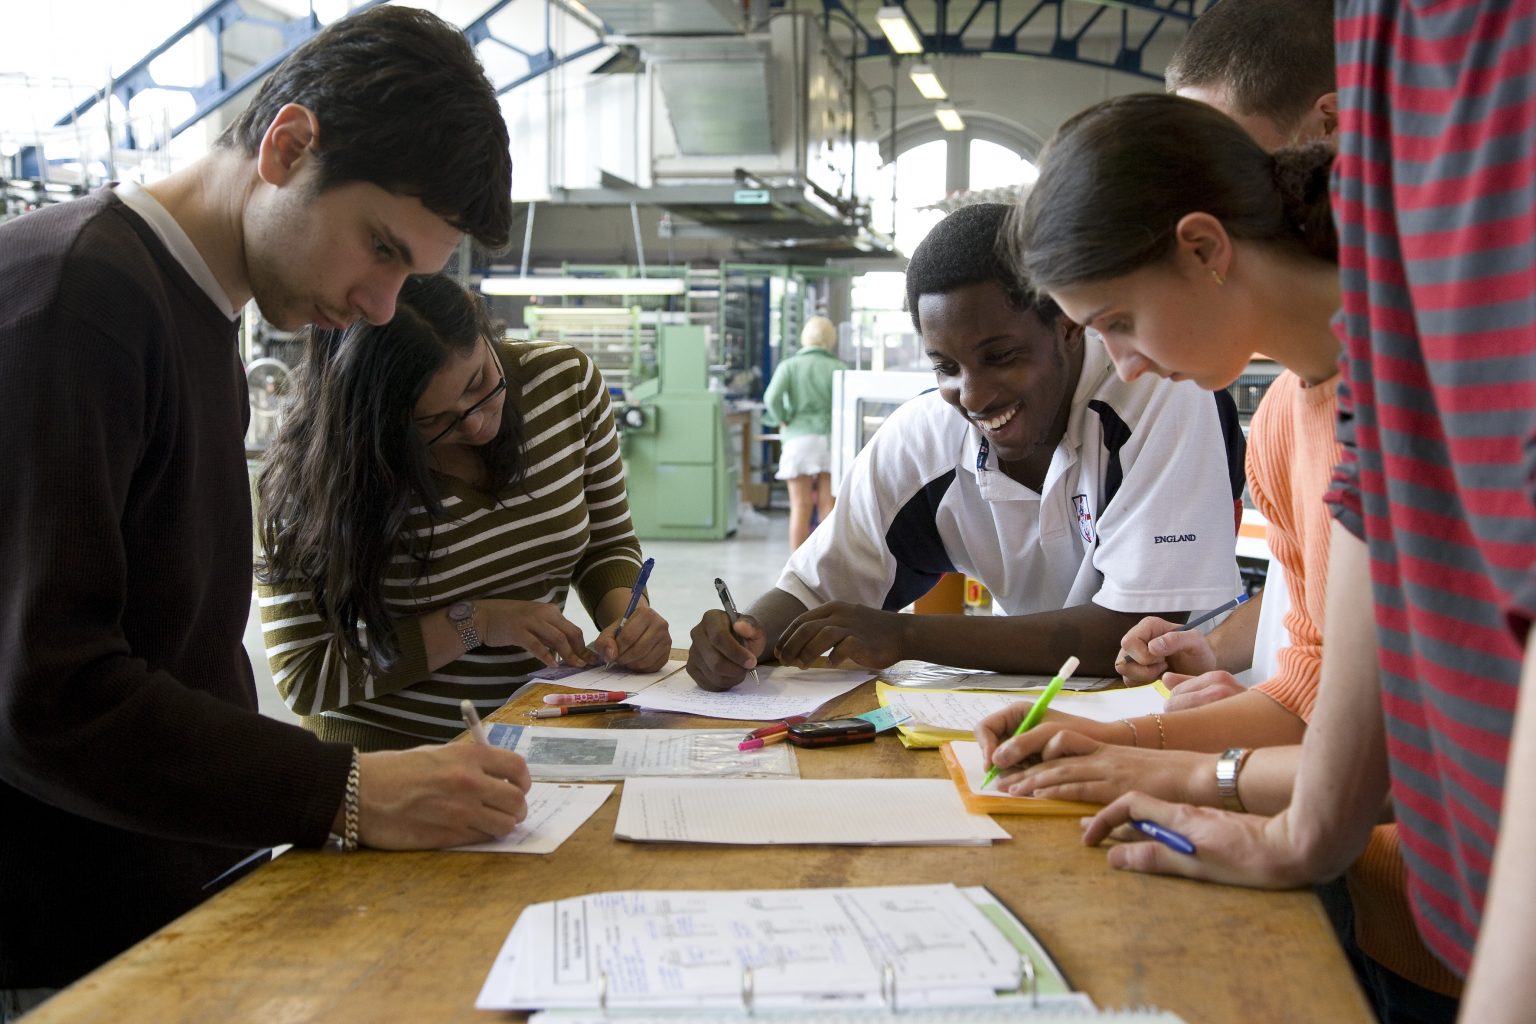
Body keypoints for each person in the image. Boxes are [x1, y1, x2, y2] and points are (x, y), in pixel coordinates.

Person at [0, 6, 526, 1007]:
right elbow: (45, 689)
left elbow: (171, 649)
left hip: (162, 906)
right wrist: (347, 788)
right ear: (288, 144)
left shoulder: (197, 315)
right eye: (378, 248)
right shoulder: (77, 302)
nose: (381, 306)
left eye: (409, 273)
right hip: (55, 950)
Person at [1020, 13, 1536, 1005]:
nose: (1124, 366)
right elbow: (1345, 707)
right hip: (1434, 917)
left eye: (1121, 325)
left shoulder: (1421, 336)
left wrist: (1177, 770)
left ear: (1205, 247)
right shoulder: (1348, 380)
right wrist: (1190, 775)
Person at [686, 201, 1246, 691]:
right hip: (1038, 708)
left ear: (1069, 326)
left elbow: (1134, 635)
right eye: (946, 367)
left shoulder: (1161, 394)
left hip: (1187, 707)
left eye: (1001, 356)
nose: (973, 395)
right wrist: (745, 638)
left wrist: (906, 634)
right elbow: (812, 589)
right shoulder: (926, 437)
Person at [257, 275, 670, 751]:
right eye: (431, 421)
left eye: (478, 382)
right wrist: (474, 623)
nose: (475, 424)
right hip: (391, 759)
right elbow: (304, 677)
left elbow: (605, 542)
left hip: (527, 730)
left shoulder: (565, 385)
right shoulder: (316, 472)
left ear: (479, 321)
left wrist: (629, 620)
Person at [1122, 0, 1339, 711]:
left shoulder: (1447, 367)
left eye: (1223, 162)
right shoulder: (1284, 408)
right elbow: (1306, 617)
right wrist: (1217, 651)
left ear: (1333, 128)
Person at [762, 315, 846, 550]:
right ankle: (826, 565)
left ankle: (797, 574)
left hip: (799, 440)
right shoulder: (839, 368)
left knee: (800, 506)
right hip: (831, 443)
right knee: (829, 508)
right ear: (830, 339)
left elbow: (771, 398)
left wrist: (783, 418)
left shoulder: (789, 366)